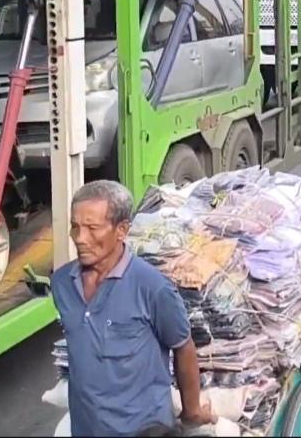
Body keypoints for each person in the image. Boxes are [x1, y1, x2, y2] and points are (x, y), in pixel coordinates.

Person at [52, 180, 216, 436]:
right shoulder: (62, 283)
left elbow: (183, 346)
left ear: (122, 230)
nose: (80, 239)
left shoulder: (152, 287)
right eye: (75, 227)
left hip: (144, 430)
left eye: (92, 228)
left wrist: (192, 410)